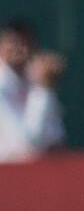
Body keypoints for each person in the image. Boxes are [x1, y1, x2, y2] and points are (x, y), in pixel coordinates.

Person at [0, 20, 66, 162]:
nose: (19, 50)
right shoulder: (40, 85)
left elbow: (56, 138)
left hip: (40, 176)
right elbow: (27, 146)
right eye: (13, 43)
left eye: (25, 43)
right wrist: (43, 88)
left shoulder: (35, 79)